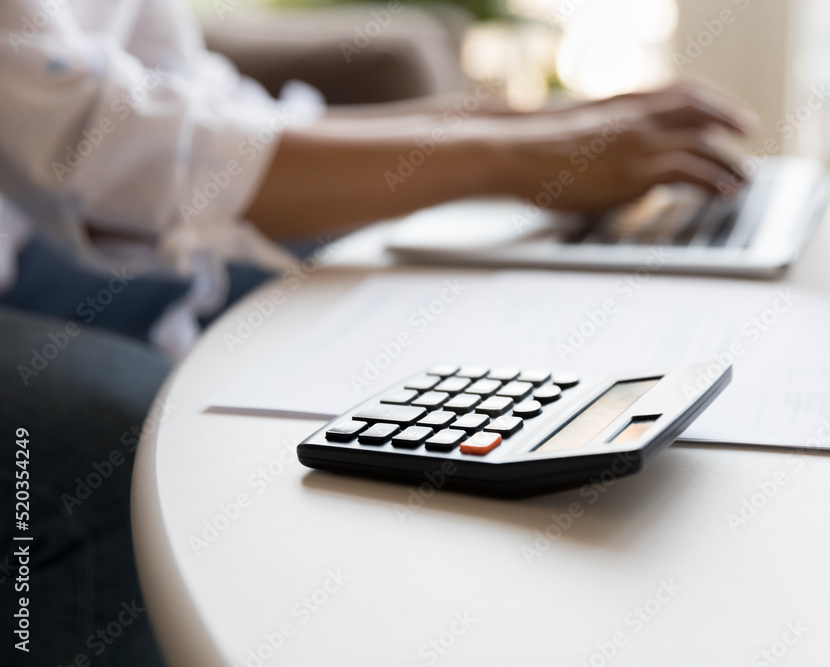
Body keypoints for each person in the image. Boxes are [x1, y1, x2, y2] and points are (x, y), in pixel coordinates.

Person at [0, 0, 754, 664]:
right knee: (126, 435)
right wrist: (516, 157)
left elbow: (181, 95)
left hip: (28, 237)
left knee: (364, 273)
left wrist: (536, 124)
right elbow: (88, 138)